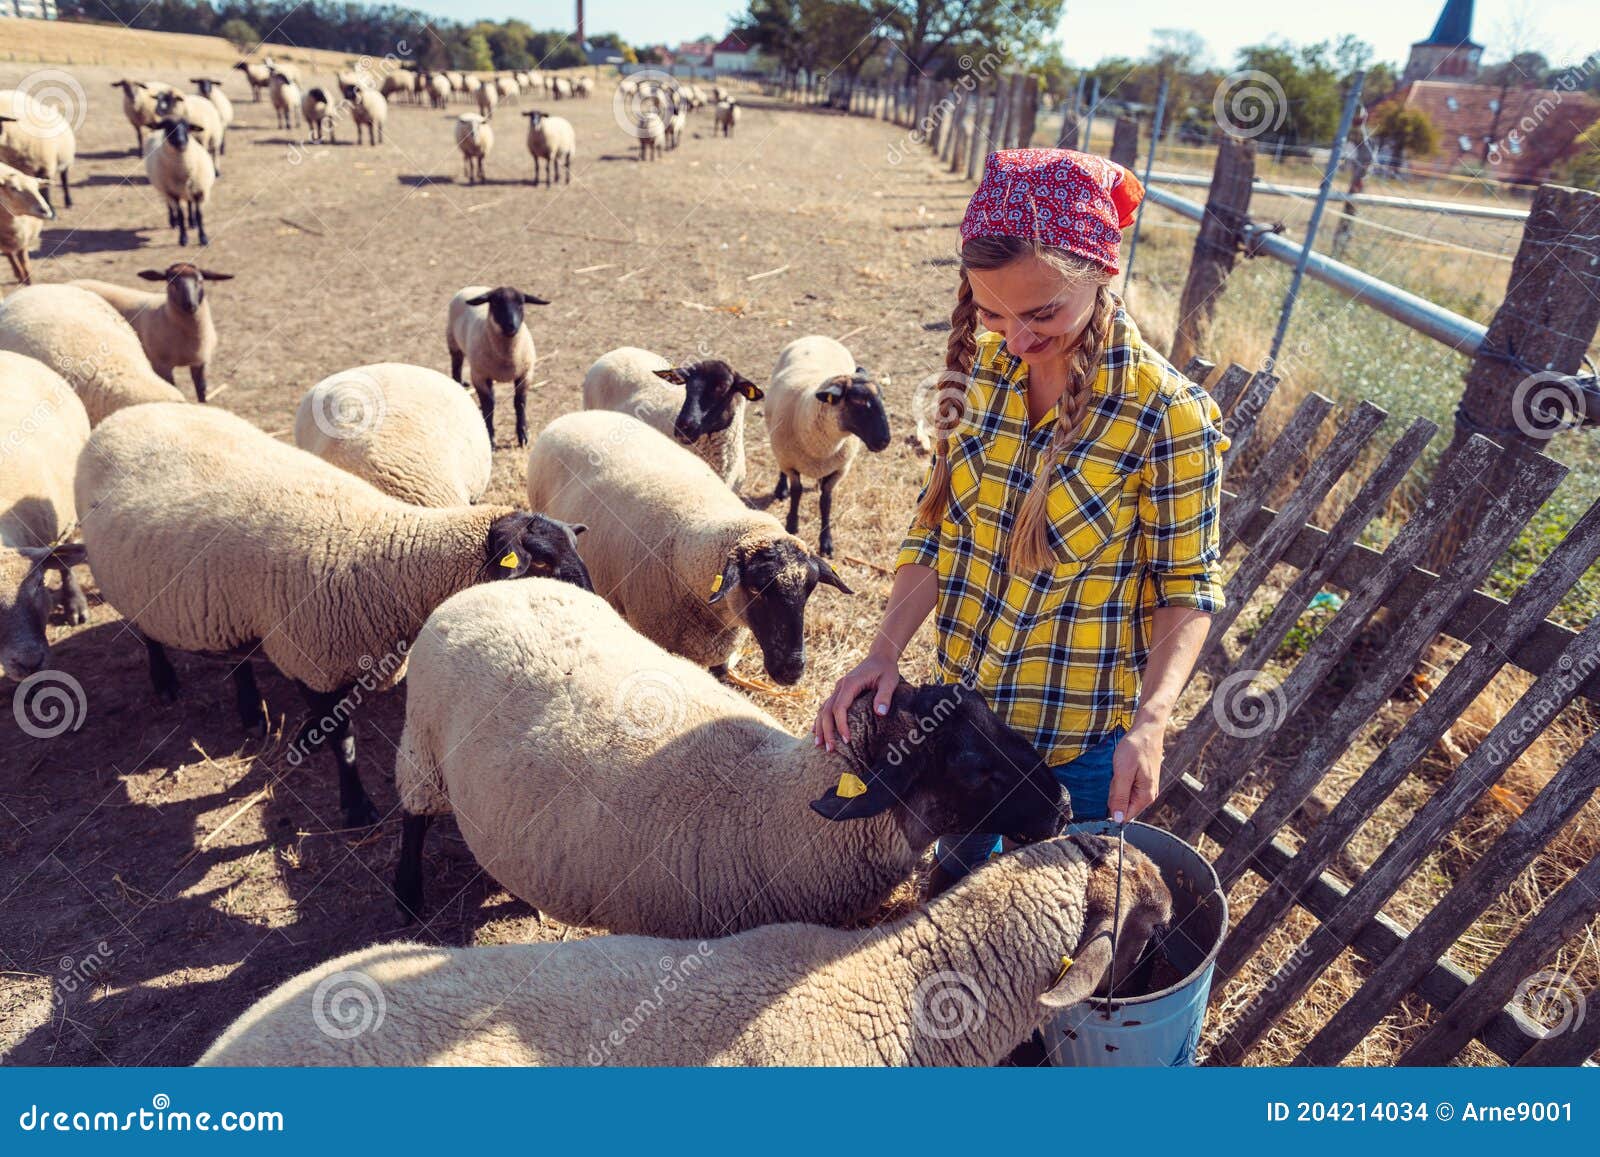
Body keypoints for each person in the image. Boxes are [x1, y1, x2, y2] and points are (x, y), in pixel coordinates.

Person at [813, 147, 1228, 886]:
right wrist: (882, 651)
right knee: (955, 904)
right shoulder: (979, 375)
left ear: (1104, 273)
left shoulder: (1167, 415)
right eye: (992, 311)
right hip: (963, 738)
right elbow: (936, 530)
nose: (1017, 338)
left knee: (1052, 935)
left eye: (1043, 313)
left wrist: (1153, 720)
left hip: (1076, 748)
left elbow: (1186, 587)